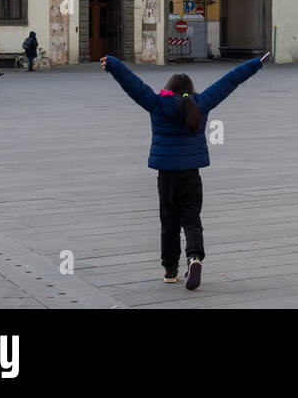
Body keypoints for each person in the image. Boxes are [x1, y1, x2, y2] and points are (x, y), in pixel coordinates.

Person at [102, 52, 268, 288]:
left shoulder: (157, 104)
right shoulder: (200, 104)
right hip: (191, 175)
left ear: (168, 88)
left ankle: (170, 271)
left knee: (168, 224)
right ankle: (194, 257)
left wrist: (114, 64)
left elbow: (134, 85)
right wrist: (256, 63)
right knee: (191, 220)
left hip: (166, 176)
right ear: (190, 90)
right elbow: (230, 81)